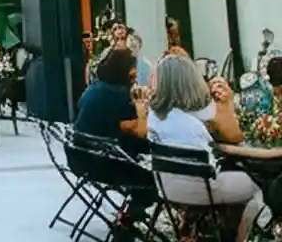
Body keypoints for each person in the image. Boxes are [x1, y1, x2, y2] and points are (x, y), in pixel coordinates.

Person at [148, 54, 259, 242]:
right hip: (202, 190)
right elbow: (214, 163)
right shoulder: (192, 125)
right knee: (260, 185)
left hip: (168, 188)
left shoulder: (152, 118)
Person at [71, 47, 153, 242]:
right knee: (151, 180)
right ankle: (126, 222)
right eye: (132, 67)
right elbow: (142, 132)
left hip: (80, 158)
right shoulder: (118, 97)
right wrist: (141, 107)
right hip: (99, 164)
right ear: (123, 69)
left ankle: (129, 217)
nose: (135, 72)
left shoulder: (93, 89)